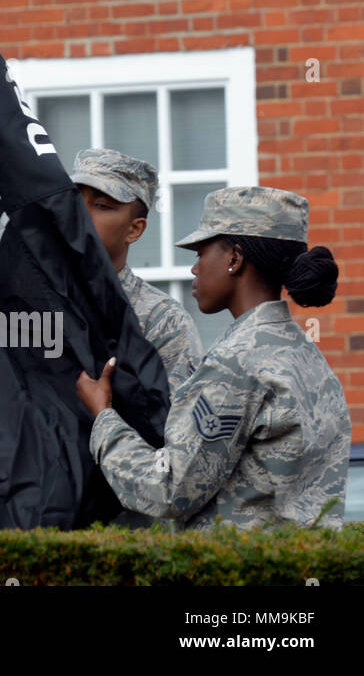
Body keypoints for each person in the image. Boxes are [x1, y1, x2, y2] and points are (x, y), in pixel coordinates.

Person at [76, 186, 352, 530]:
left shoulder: (238, 362)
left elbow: (168, 489)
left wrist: (103, 416)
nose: (194, 269)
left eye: (201, 253)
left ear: (234, 259)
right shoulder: (309, 357)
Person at [70, 148, 203, 397]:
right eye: (74, 201)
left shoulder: (163, 322)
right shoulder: (32, 298)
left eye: (101, 205)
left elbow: (177, 430)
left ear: (134, 230)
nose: (82, 214)